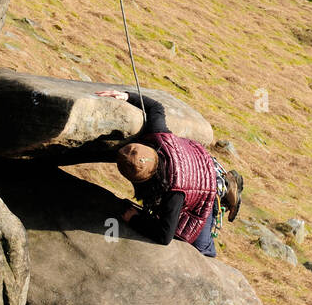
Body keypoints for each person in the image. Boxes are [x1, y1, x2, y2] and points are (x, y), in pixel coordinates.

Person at [97, 90, 243, 257]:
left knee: (201, 250)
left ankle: (223, 194)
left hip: (206, 189)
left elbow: (165, 235)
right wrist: (126, 96)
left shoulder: (175, 192)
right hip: (196, 160)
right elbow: (155, 107)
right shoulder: (158, 136)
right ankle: (225, 184)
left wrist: (135, 219)